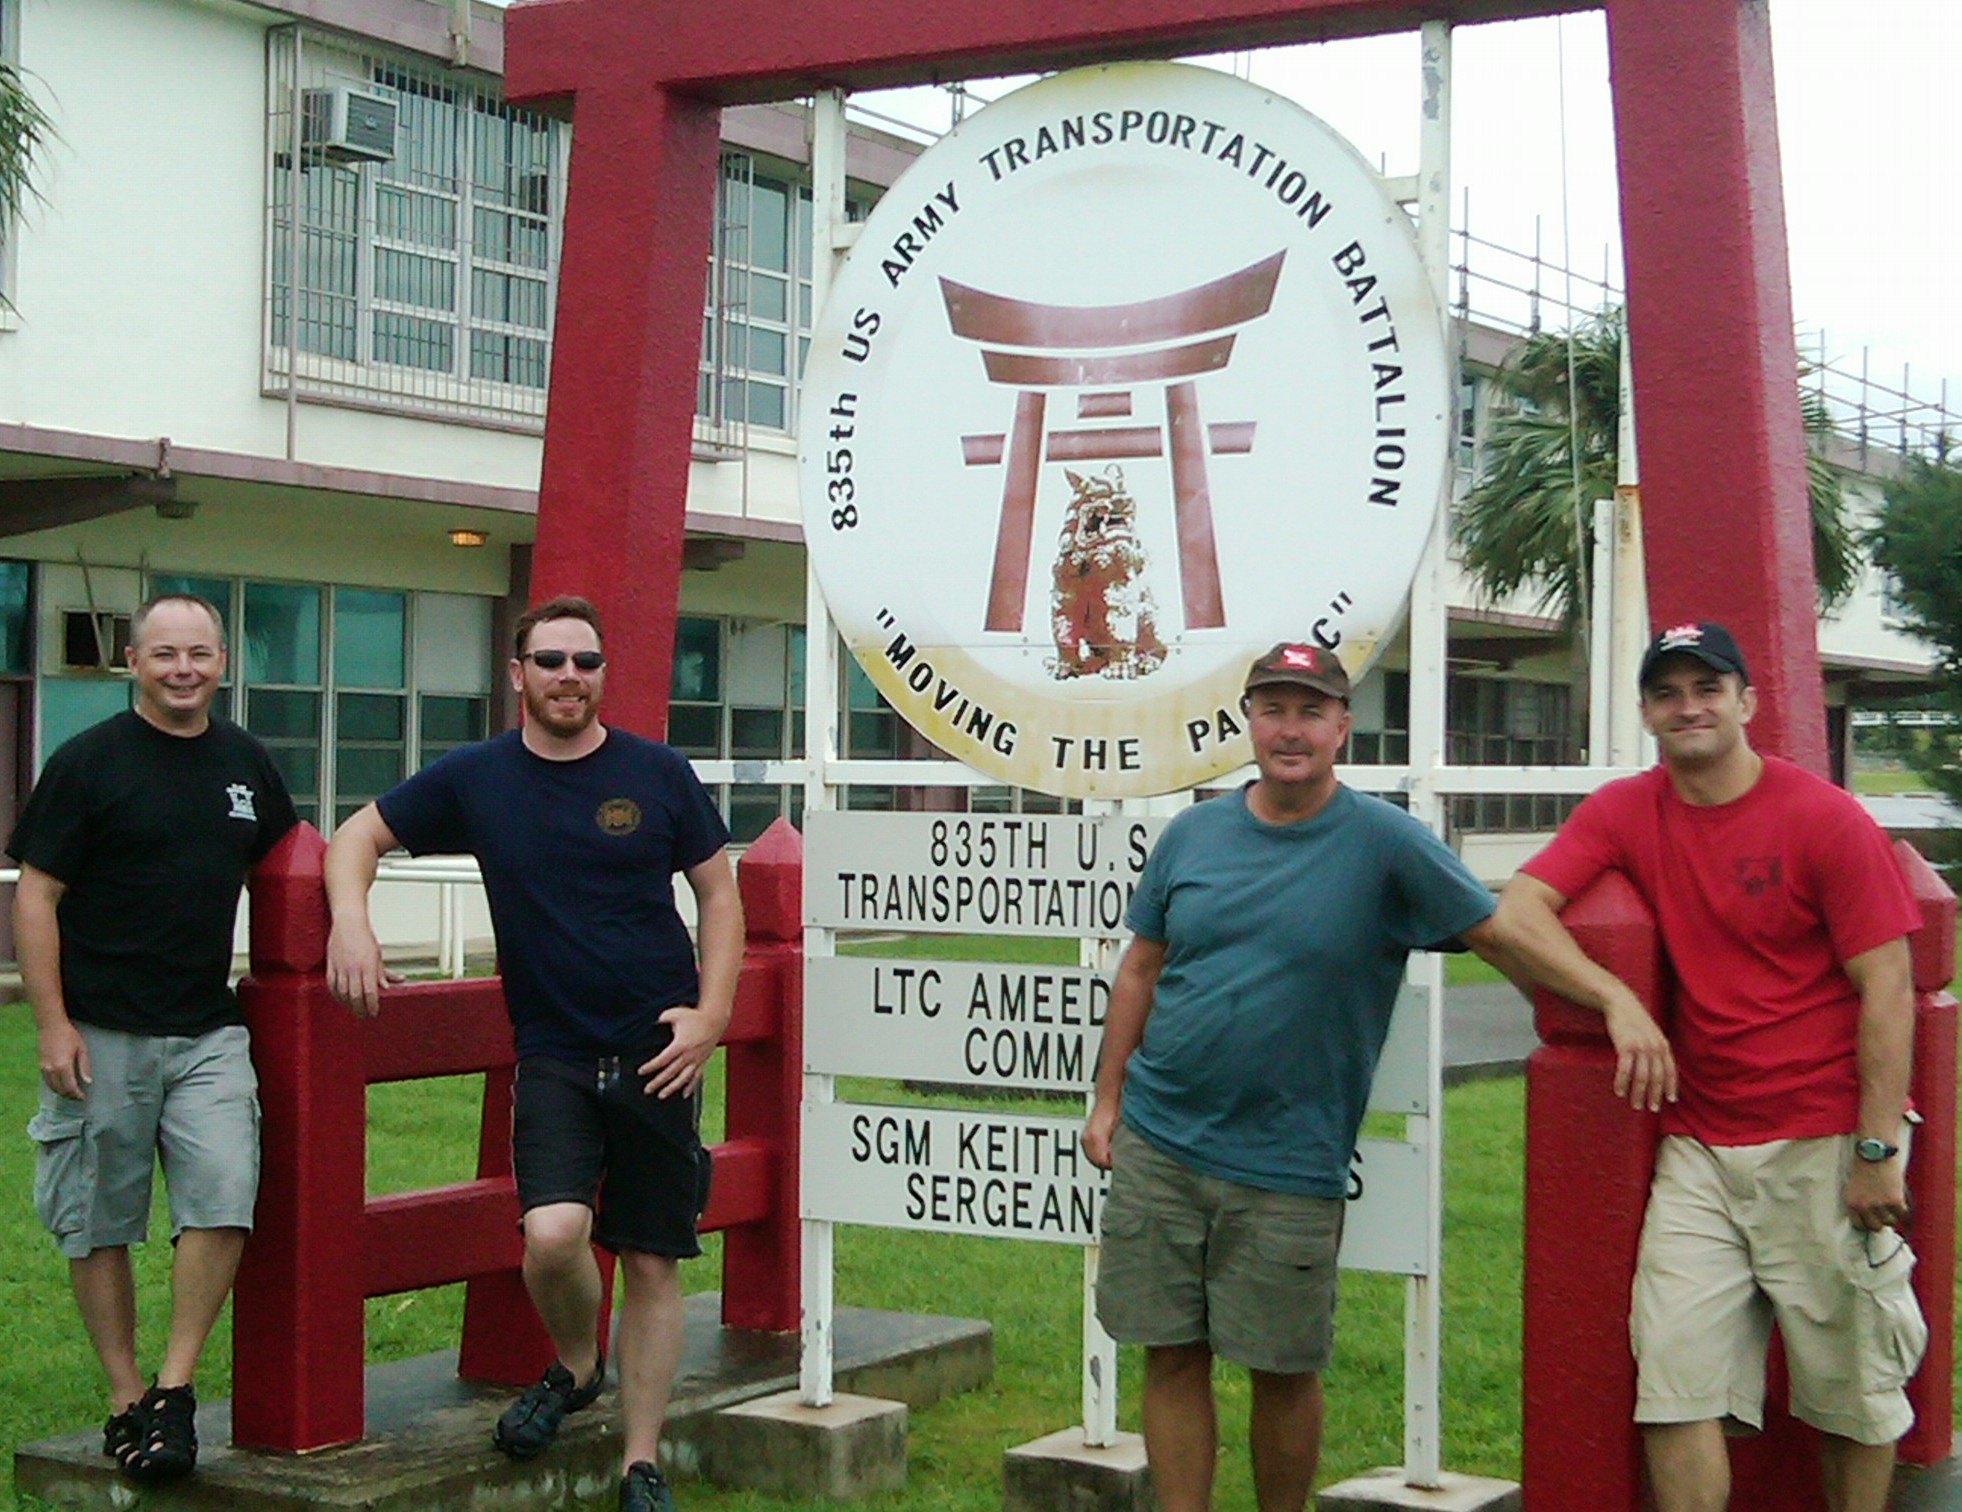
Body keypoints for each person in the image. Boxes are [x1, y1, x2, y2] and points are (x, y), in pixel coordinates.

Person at [1080, 640, 1663, 1512]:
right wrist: (1107, 1100)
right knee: (1169, 1355)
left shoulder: (1386, 844)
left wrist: (1610, 997)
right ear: (1249, 722)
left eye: (1310, 712)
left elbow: (1501, 933)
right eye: (1274, 710)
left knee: (1283, 1370)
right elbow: (1140, 968)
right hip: (1161, 1142)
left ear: (1342, 727)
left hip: (1288, 1162)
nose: (1290, 730)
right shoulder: (1192, 835)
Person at [1494, 620, 1925, 1512]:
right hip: (1699, 1146)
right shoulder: (1625, 810)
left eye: (1707, 689)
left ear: (1746, 702)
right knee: (1674, 1382)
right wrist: (1616, 999)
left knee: (1852, 1394)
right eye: (1667, 693)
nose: (1688, 707)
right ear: (1646, 711)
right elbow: (1518, 911)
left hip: (1826, 1137)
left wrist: (1876, 1149)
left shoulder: (1822, 818)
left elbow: (1887, 986)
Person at [324, 594, 742, 1512]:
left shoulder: (658, 773)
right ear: (518, 674)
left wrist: (711, 1015)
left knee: (651, 1261)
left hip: (658, 1050)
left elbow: (718, 893)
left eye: (585, 662)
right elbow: (356, 835)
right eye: (550, 660)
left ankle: (640, 1462)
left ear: (603, 674)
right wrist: (351, 919)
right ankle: (578, 1363)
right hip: (553, 1049)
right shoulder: (478, 778)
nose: (568, 677)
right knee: (553, 1236)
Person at [11, 593, 298, 1483]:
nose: (183, 669)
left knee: (224, 1197)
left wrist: (351, 935)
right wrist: (52, 1024)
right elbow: (36, 894)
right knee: (97, 1220)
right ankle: (125, 1396)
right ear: (133, 661)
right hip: (101, 1031)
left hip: (208, 1029)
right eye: (165, 653)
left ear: (222, 663)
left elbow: (294, 866)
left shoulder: (245, 762)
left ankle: (174, 1390)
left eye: (199, 654)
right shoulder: (87, 763)